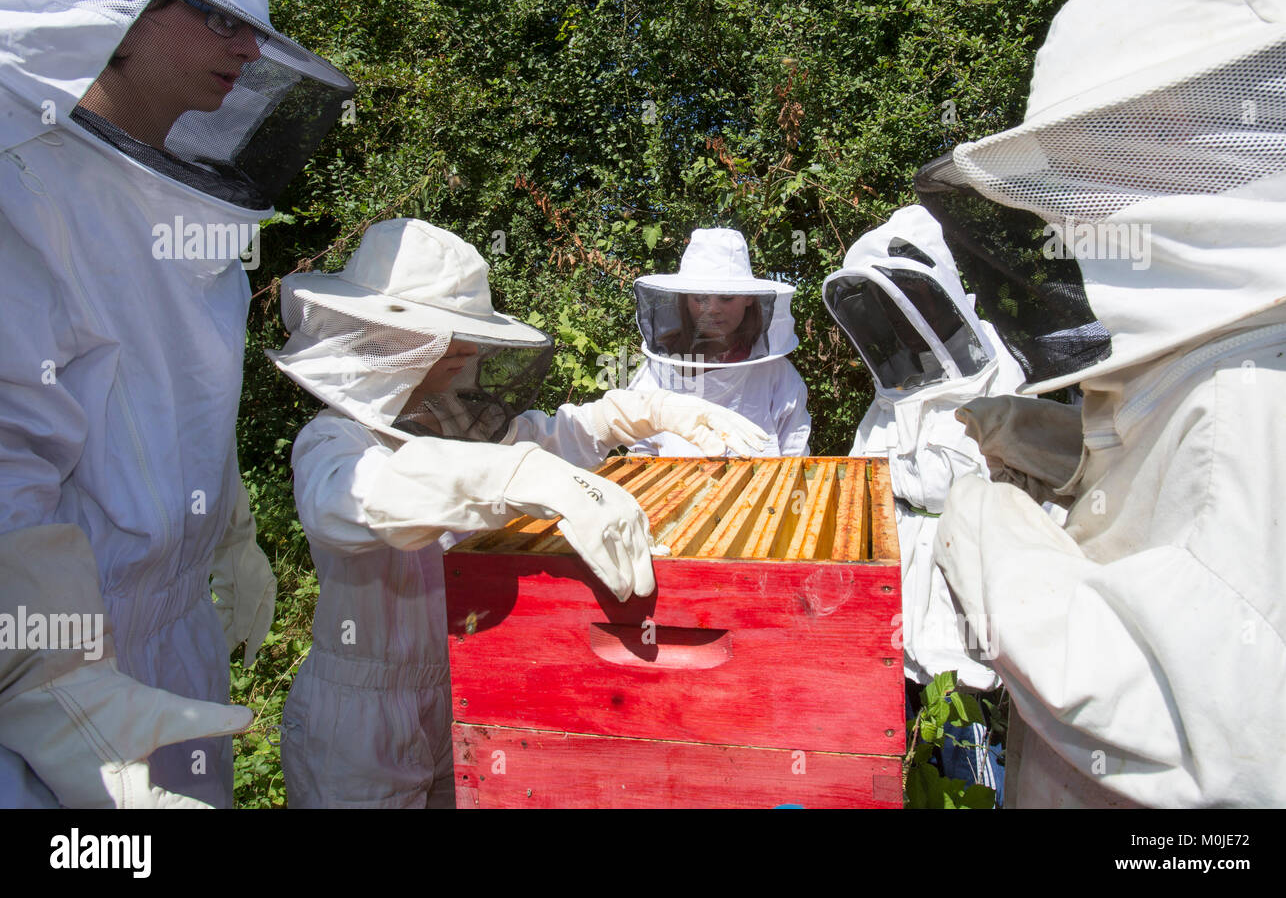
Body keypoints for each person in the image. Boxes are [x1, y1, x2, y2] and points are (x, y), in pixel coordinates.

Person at [914, 0, 1286, 807]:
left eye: (1097, 159)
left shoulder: (1254, 401)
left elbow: (1213, 750)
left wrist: (988, 530)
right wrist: (1076, 459)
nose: (1073, 203)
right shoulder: (1220, 357)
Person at [0, 0, 353, 807]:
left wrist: (225, 535)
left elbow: (183, 409)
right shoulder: (22, 188)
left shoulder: (197, 219)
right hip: (55, 696)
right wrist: (52, 683)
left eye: (255, 30)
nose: (248, 51)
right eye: (219, 18)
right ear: (113, 4)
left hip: (175, 646)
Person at [267, 218, 770, 807]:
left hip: (465, 689)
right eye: (452, 340)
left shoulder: (456, 420)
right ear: (398, 342)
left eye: (468, 339)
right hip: (358, 719)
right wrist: (517, 475)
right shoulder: (335, 443)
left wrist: (647, 410)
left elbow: (559, 436)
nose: (470, 353)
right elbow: (357, 499)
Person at [823, 204, 1027, 796]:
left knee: (969, 761)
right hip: (895, 602)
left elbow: (976, 474)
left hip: (965, 592)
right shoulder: (897, 384)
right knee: (903, 762)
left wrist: (892, 479)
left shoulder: (999, 367)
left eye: (903, 297)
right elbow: (865, 467)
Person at [627, 228, 811, 457]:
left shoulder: (776, 374)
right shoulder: (658, 369)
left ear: (748, 299)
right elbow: (641, 448)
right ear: (685, 301)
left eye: (726, 298)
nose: (712, 309)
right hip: (676, 492)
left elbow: (795, 454)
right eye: (700, 298)